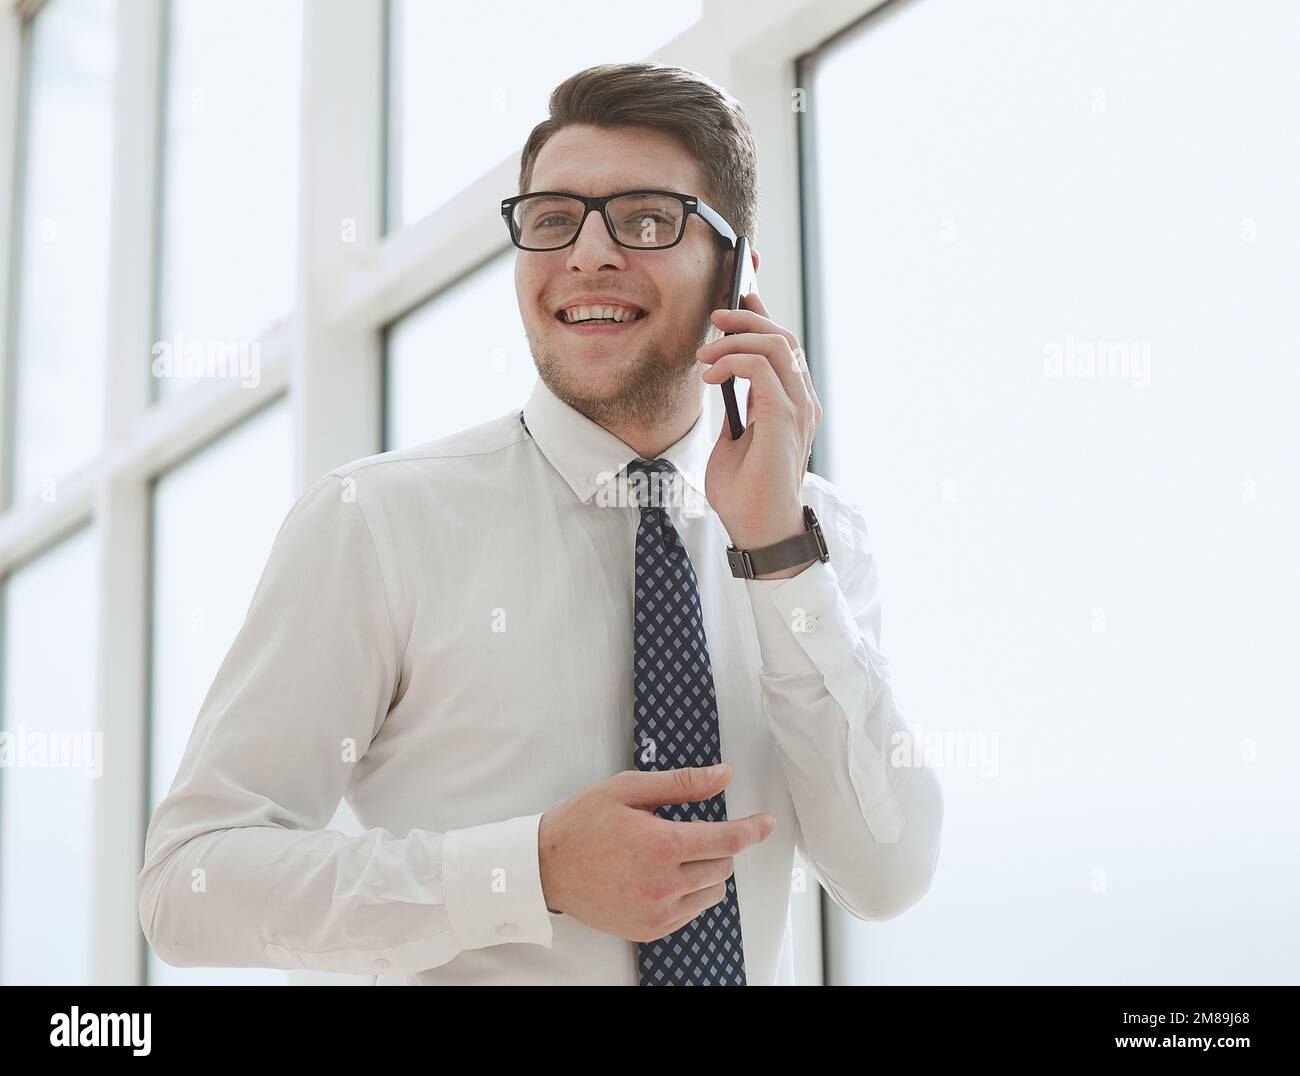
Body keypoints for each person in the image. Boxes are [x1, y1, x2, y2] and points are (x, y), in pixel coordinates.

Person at [137, 61, 943, 986]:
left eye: (647, 219)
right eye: (553, 220)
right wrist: (528, 872)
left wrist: (777, 551)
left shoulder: (815, 534)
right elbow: (186, 887)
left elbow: (887, 873)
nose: (589, 255)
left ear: (739, 269)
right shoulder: (378, 523)